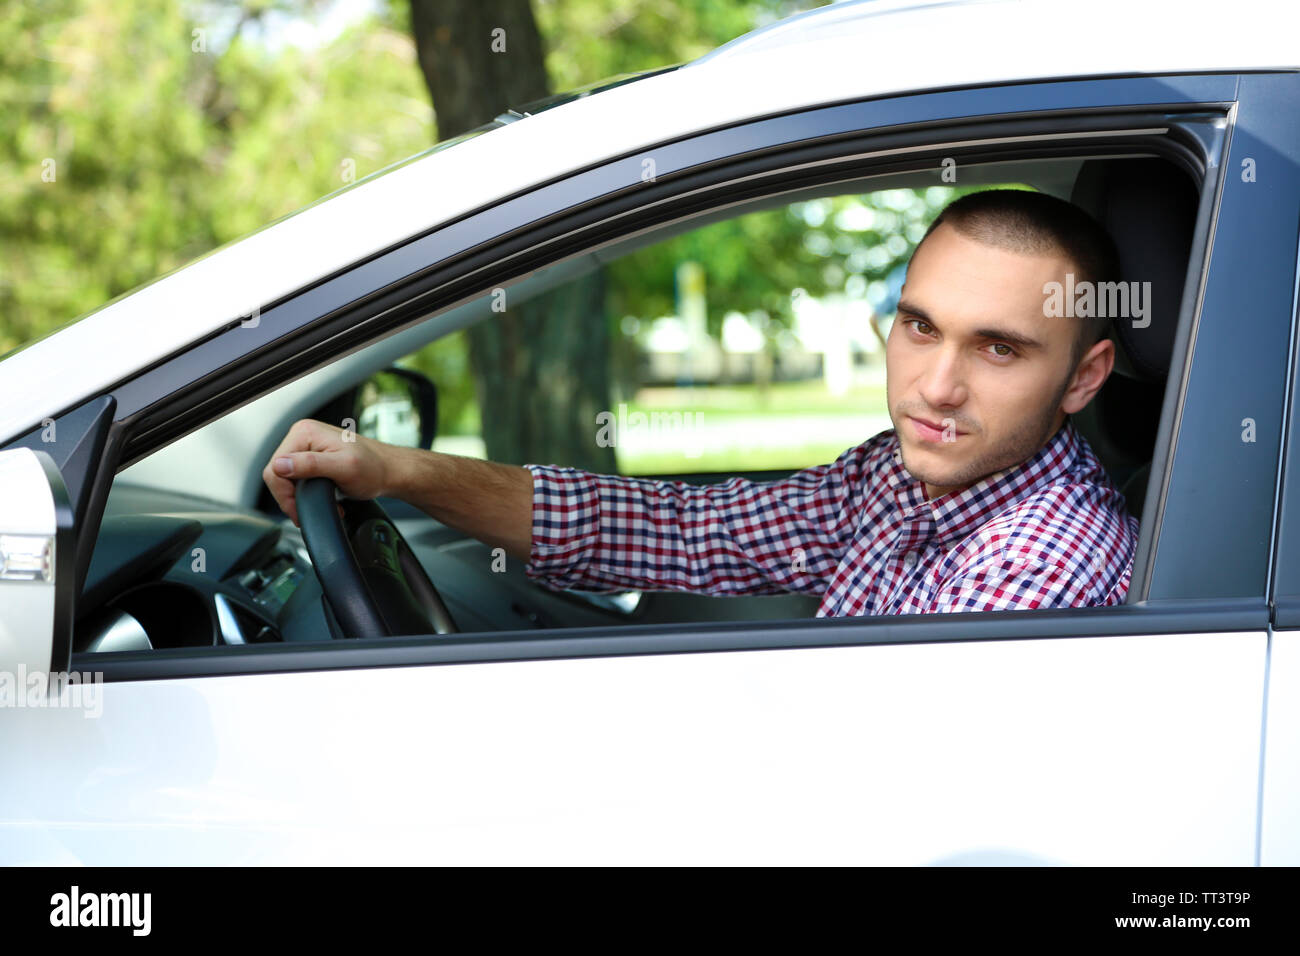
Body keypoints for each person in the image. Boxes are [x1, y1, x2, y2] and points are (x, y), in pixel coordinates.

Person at [263, 189, 1140, 615]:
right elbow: (680, 529)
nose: (937, 387)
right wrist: (395, 469)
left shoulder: (1039, 564)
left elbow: (874, 790)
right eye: (919, 327)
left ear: (1084, 376)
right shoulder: (894, 477)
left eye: (998, 348)